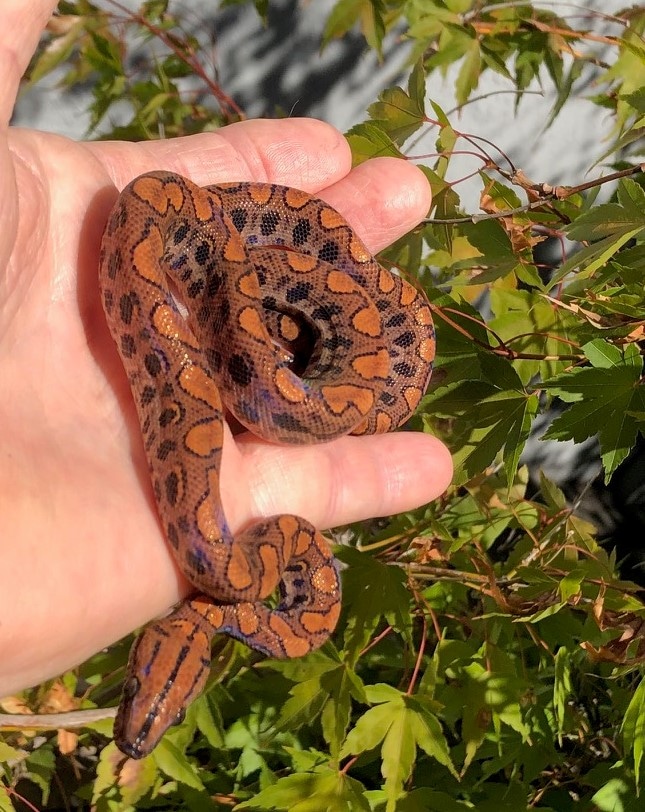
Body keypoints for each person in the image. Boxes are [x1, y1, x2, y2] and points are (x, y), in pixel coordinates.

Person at [0, 0, 452, 698]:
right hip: (208, 255)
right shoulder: (233, 574)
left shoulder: (237, 569)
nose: (139, 703)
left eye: (139, 691)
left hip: (256, 298)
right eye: (148, 694)